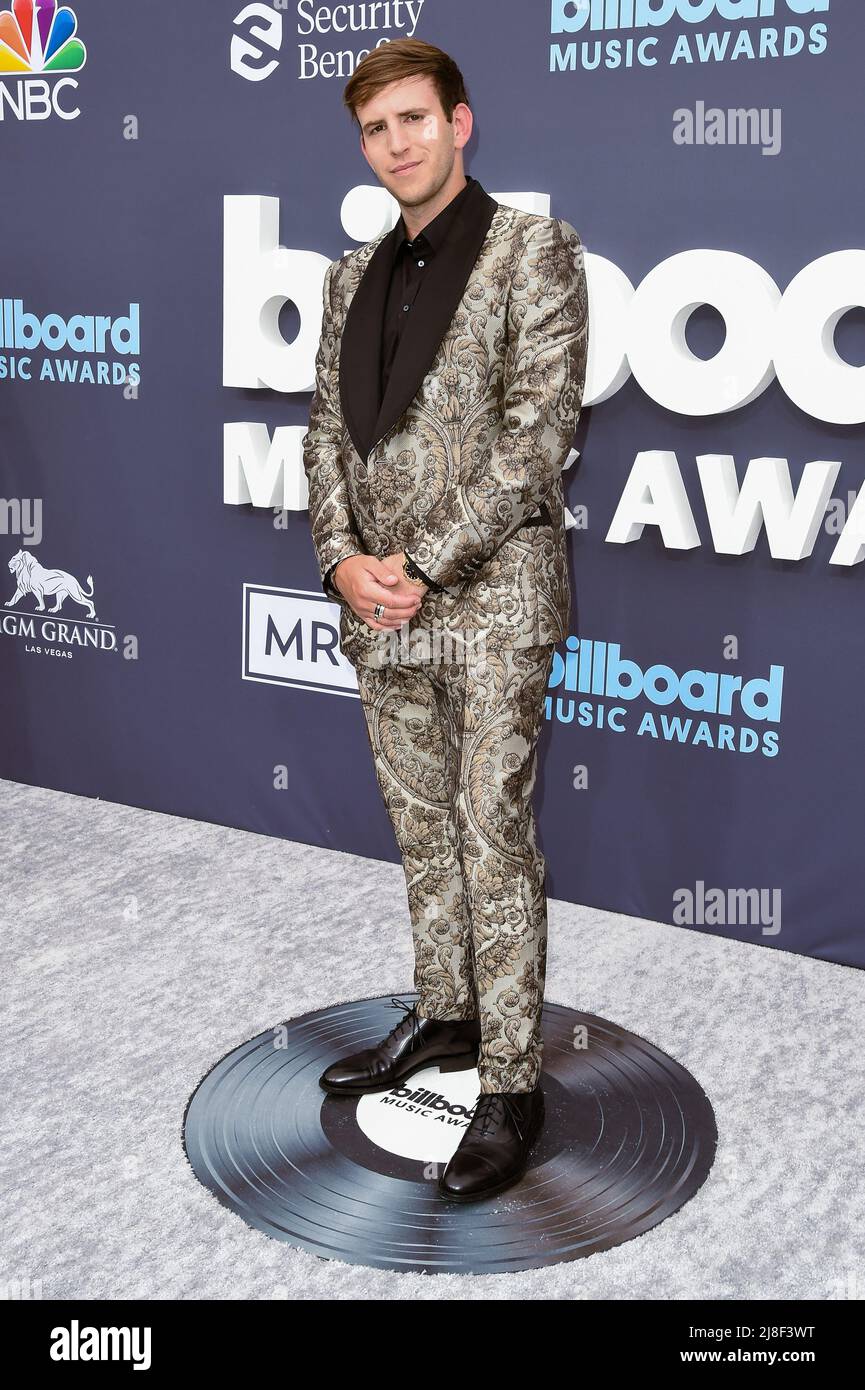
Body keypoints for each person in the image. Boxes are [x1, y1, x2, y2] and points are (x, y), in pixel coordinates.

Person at [301, 38, 588, 1202]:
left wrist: (417, 557)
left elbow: (540, 434)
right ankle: (448, 1014)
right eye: (376, 129)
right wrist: (340, 562)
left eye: (415, 119)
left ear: (459, 123)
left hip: (495, 602)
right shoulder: (345, 276)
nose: (398, 144)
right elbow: (324, 433)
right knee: (422, 835)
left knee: (491, 838)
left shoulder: (533, 250)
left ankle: (511, 1084)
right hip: (383, 605)